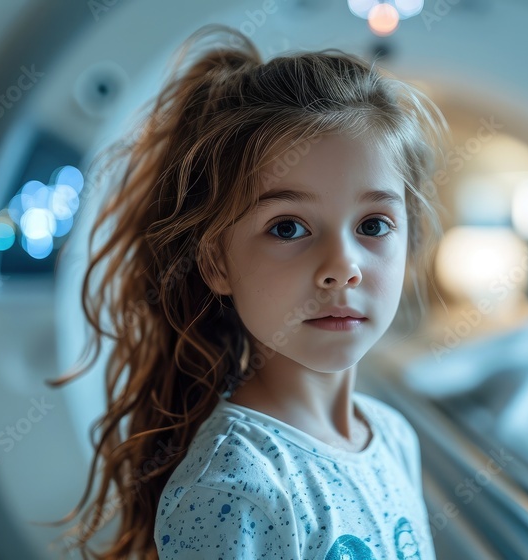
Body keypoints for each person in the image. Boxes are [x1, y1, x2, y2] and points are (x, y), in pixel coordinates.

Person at [46, 23, 450, 560]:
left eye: (373, 225)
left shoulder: (394, 438)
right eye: (288, 227)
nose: (342, 269)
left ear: (411, 240)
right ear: (216, 262)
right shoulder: (236, 487)